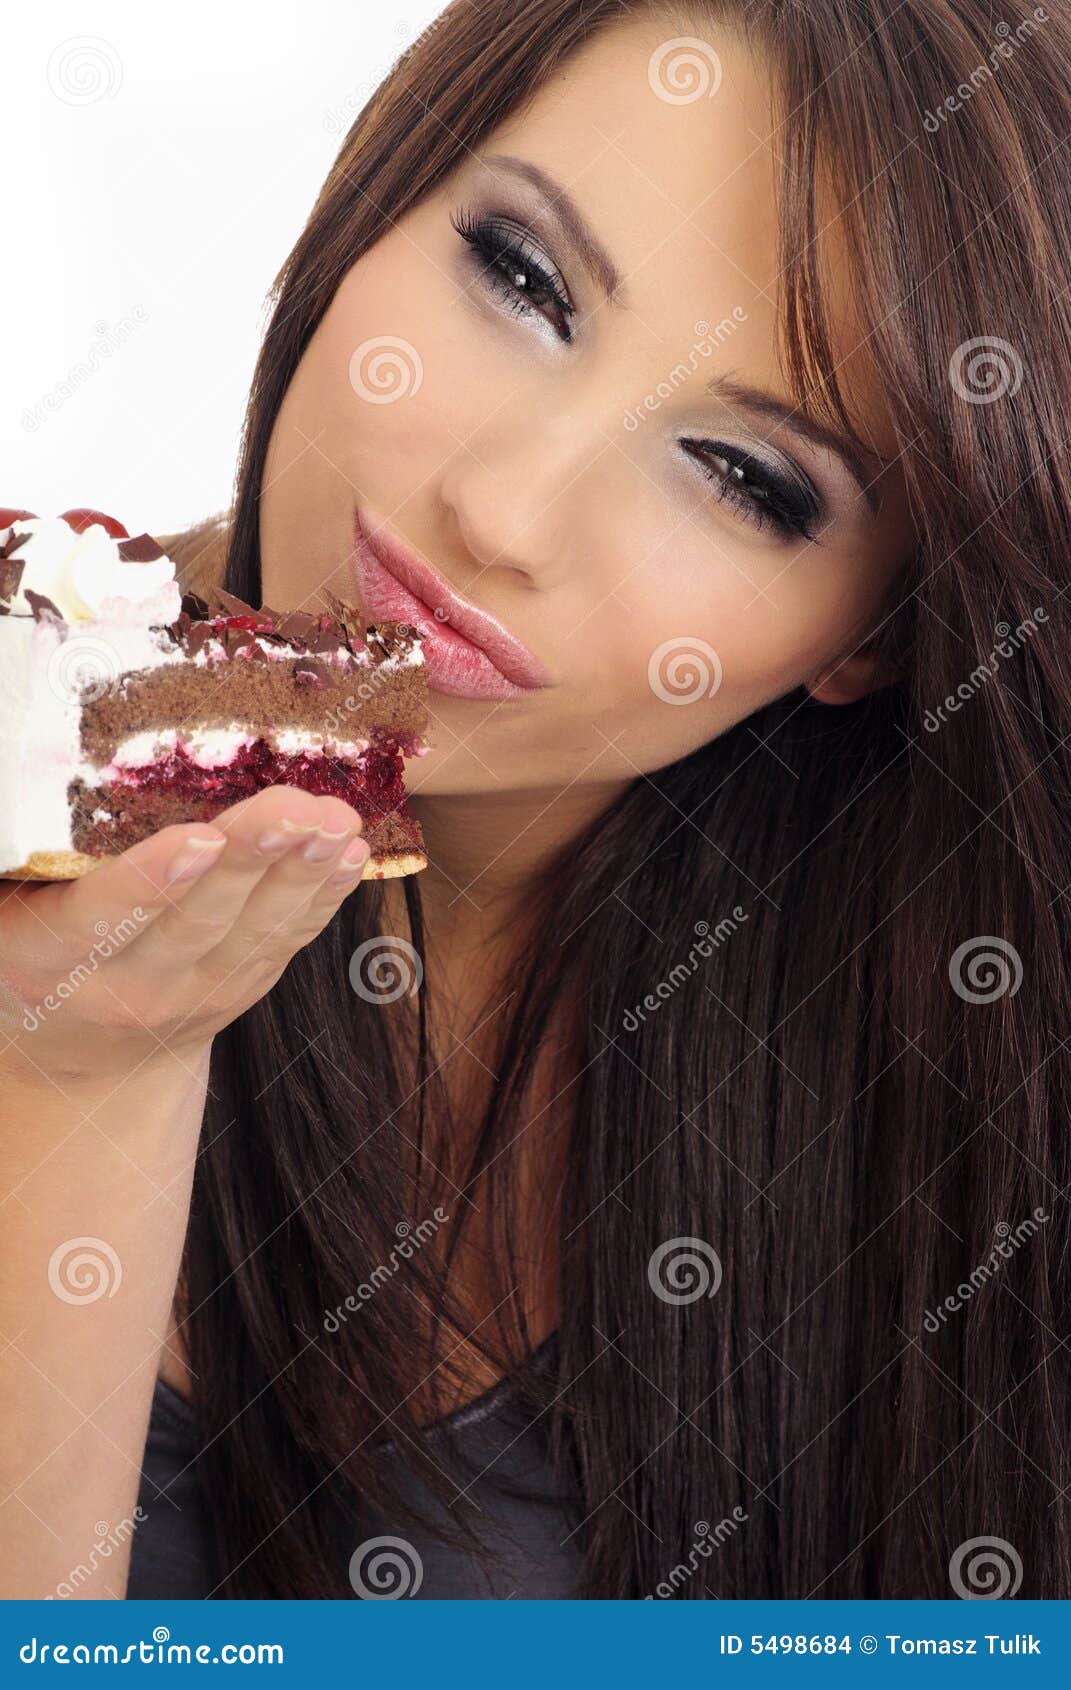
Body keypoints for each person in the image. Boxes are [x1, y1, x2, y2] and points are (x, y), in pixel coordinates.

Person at [3, 0, 1068, 1600]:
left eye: (744, 477)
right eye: (520, 277)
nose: (500, 512)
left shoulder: (962, 1101)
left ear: (875, 636)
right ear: (374, 194)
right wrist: (87, 1077)